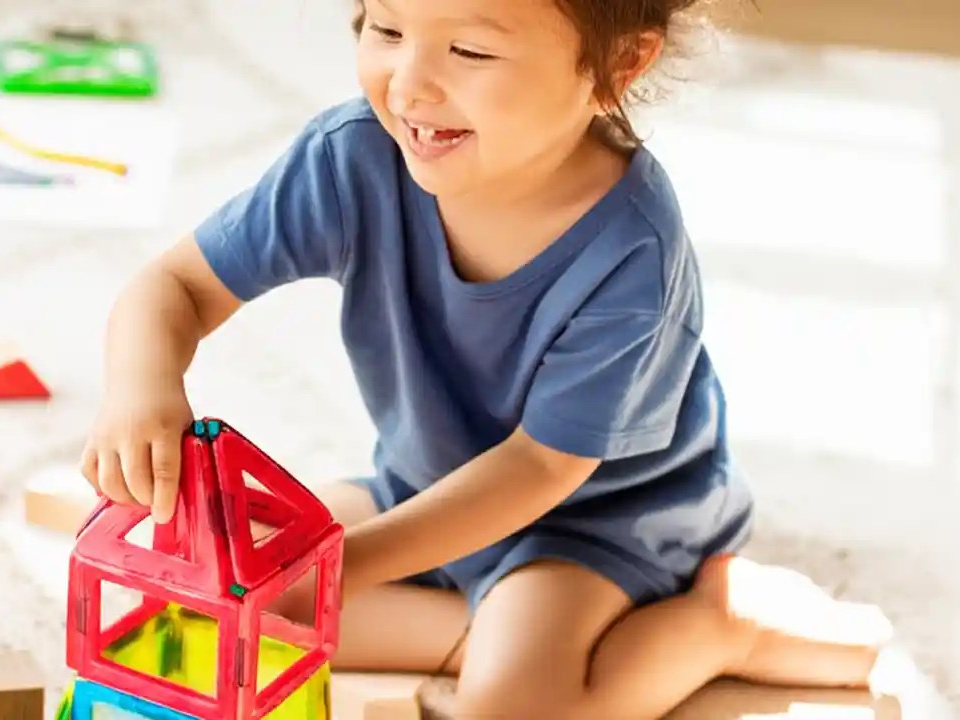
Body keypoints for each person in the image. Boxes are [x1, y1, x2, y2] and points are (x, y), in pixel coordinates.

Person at [81, 0, 894, 716]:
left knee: (510, 706)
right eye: (385, 27)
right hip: (422, 483)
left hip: (602, 523)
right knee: (198, 607)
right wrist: (140, 386)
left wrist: (340, 566)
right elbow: (175, 286)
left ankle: (721, 626)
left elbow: (541, 470)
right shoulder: (352, 156)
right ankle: (489, 627)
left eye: (468, 51)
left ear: (617, 63)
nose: (408, 86)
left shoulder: (632, 249)